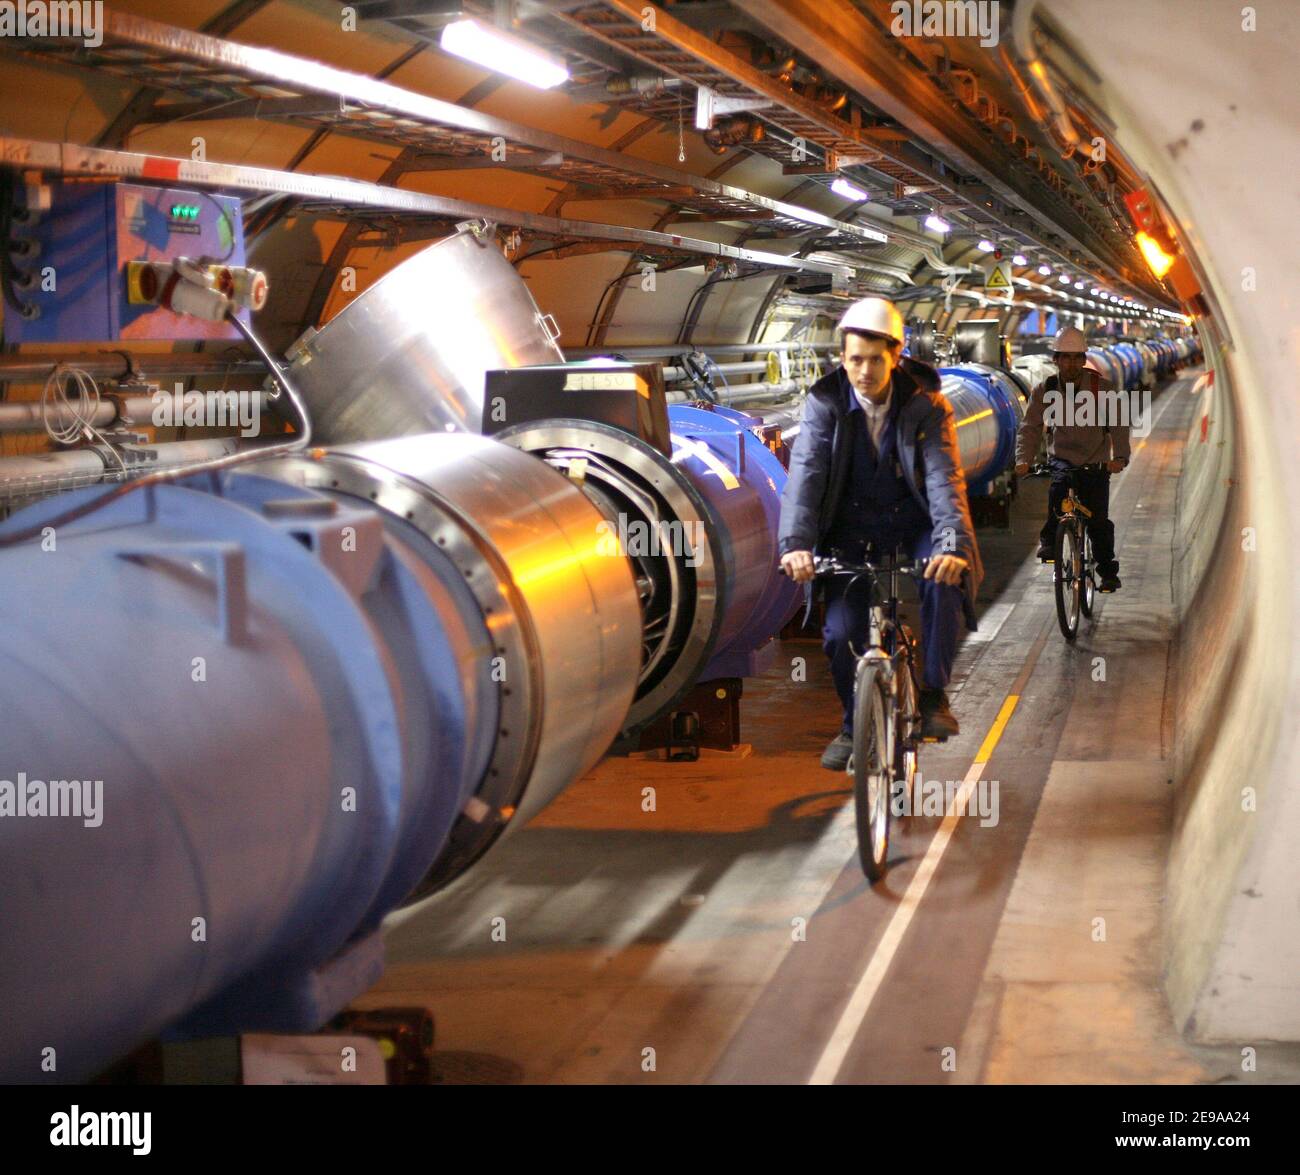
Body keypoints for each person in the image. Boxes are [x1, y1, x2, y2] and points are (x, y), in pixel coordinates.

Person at [778, 297, 984, 771]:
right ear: (842, 359)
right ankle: (854, 725)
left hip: (913, 522)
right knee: (839, 633)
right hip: (849, 528)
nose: (864, 371)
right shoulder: (825, 402)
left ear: (896, 354)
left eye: (875, 359)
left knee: (942, 579)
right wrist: (796, 545)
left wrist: (951, 546)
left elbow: (942, 479)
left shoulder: (925, 404)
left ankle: (932, 695)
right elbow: (806, 475)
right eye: (854, 360)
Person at [1014, 326, 1129, 592]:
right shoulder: (1045, 389)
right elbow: (1030, 427)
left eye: (1077, 357)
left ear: (1084, 359)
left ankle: (1106, 572)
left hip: (1096, 462)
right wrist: (1023, 459)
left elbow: (1119, 426)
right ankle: (1049, 541)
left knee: (1098, 521)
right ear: (1055, 360)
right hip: (1062, 459)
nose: (1071, 363)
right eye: (1065, 357)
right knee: (1058, 490)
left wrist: (1120, 457)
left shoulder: (1102, 389)